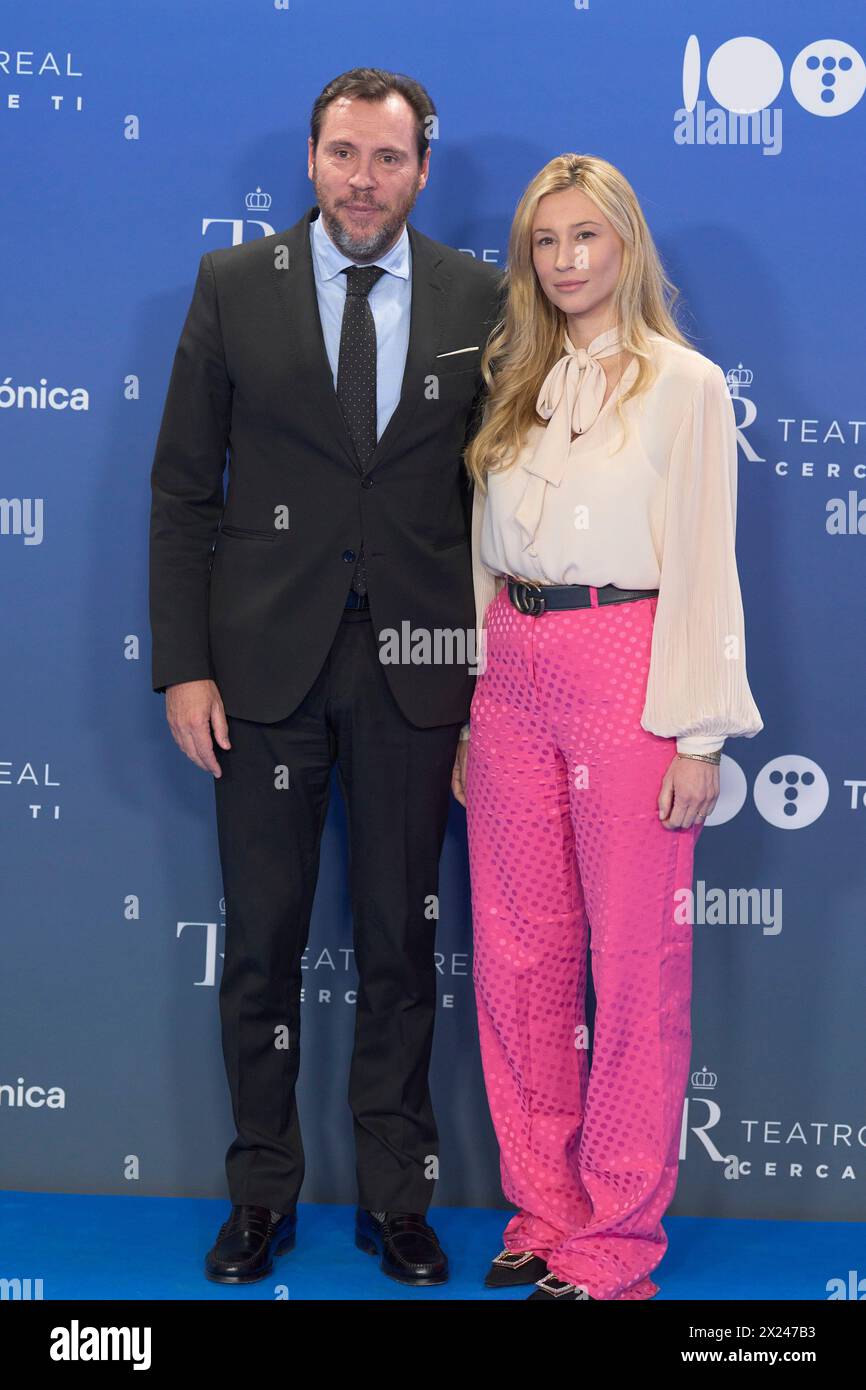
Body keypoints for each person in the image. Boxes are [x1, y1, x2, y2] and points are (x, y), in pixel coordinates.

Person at [148, 67, 502, 1287]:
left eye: (388, 159)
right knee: (262, 946)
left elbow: (500, 497)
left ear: (420, 169)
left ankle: (399, 1202)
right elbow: (184, 490)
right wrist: (184, 668)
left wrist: (492, 680)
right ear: (310, 161)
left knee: (405, 948)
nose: (364, 179)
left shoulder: (483, 295)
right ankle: (261, 1198)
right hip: (262, 670)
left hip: (420, 669)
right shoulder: (232, 285)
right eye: (344, 155)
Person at [451, 153, 763, 1301]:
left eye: (587, 237)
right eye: (545, 241)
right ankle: (543, 1208)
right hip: (514, 671)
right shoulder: (514, 377)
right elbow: (486, 560)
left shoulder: (681, 383)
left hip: (627, 662)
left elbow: (703, 563)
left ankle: (617, 1240)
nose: (567, 260)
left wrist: (697, 735)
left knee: (632, 964)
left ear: (625, 246)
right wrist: (477, 714)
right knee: (519, 955)